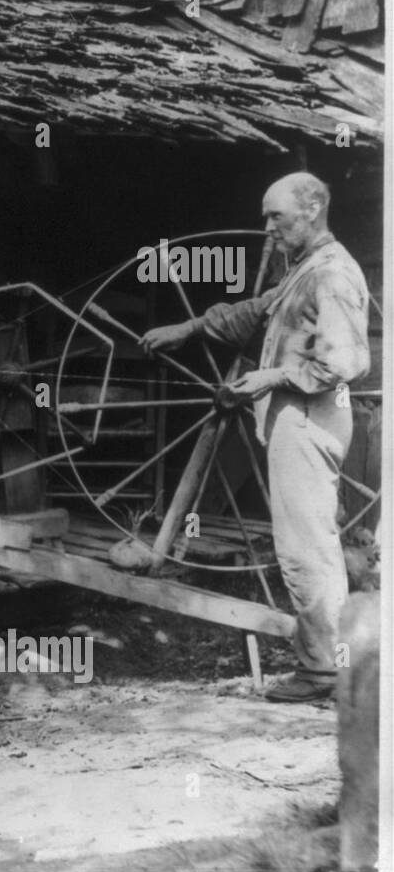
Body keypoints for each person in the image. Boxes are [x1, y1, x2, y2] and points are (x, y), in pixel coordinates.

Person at [140, 172, 370, 702]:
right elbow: (258, 311)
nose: (267, 228)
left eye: (276, 217)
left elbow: (348, 359)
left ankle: (323, 673)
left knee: (305, 548)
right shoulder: (304, 270)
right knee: (310, 543)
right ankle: (331, 664)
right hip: (293, 415)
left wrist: (272, 377)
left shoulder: (333, 274)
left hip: (308, 416)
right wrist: (192, 328)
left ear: (312, 209)